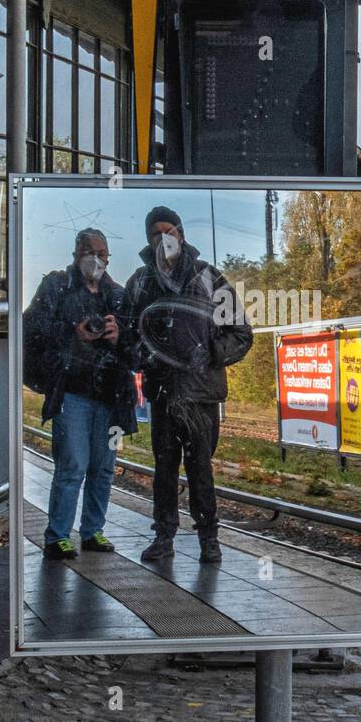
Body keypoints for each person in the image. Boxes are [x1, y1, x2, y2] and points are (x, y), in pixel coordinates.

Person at [124, 206, 253, 564]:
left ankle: (209, 539)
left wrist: (212, 352)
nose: (163, 239)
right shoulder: (140, 282)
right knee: (164, 470)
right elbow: (129, 336)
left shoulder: (209, 277)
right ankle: (163, 537)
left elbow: (241, 334)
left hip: (200, 394)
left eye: (169, 231)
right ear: (148, 238)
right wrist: (142, 355)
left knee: (201, 470)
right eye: (155, 233)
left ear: (181, 234)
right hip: (162, 393)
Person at [23, 228, 136, 561]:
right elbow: (32, 325)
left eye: (103, 254)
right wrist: (73, 331)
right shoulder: (57, 286)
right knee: (71, 465)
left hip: (111, 395)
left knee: (103, 468)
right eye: (90, 252)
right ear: (76, 253)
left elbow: (136, 344)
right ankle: (57, 536)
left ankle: (93, 531)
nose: (97, 260)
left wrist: (119, 336)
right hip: (70, 391)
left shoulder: (117, 295)